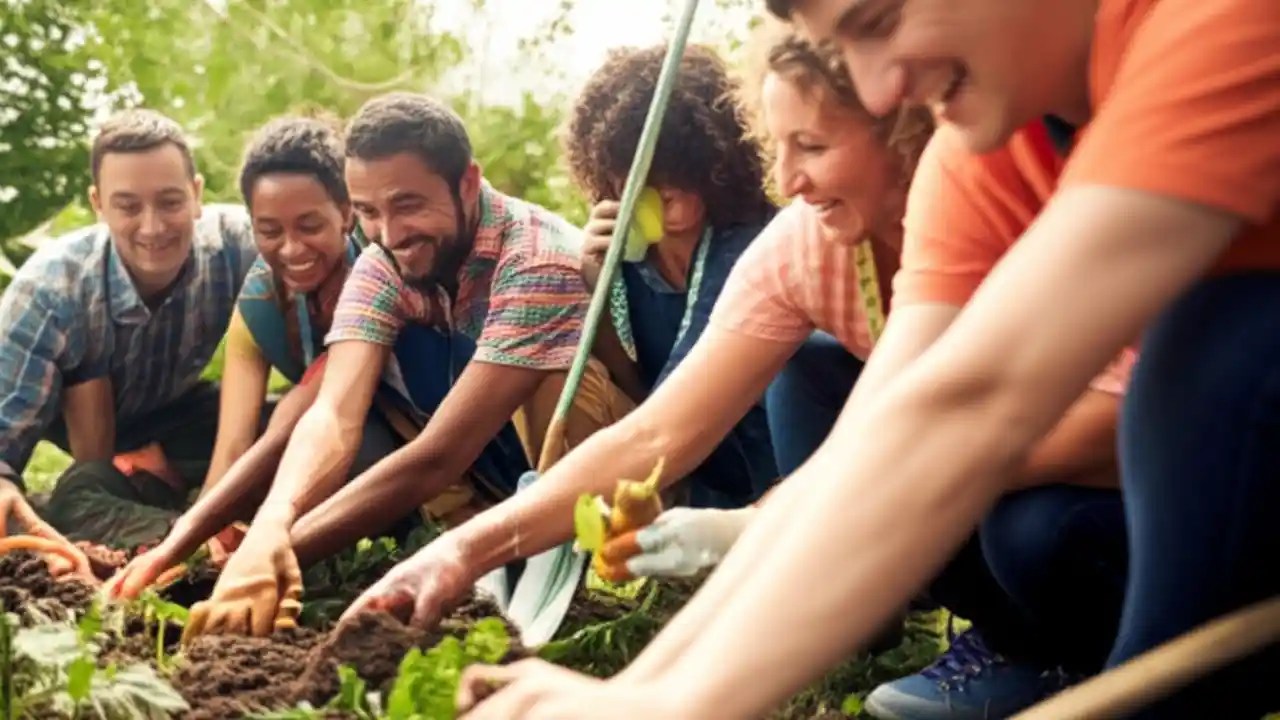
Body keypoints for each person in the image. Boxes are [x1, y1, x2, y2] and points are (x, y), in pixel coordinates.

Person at [453, 0, 1280, 717]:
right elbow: (904, 428)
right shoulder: (980, 153)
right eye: (846, 48)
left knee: (1219, 347)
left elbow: (979, 404)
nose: (883, 90)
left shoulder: (1225, 25)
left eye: (881, 21)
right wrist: (647, 694)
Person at [343, 27, 1129, 695]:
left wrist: (765, 523)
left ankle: (1085, 661)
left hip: (1127, 483)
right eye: (776, 146)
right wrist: (465, 549)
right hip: (962, 464)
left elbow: (1104, 423)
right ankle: (991, 639)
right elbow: (656, 432)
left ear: (906, 128)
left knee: (1032, 533)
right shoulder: (805, 244)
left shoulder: (1022, 207)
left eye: (812, 146)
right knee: (827, 387)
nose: (786, 180)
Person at [165, 92, 635, 638]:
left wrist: (265, 560)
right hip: (492, 473)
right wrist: (269, 529)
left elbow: (437, 457)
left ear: (467, 183)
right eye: (367, 212)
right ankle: (479, 541)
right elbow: (331, 415)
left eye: (408, 205)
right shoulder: (382, 260)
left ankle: (588, 556)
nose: (388, 234)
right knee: (379, 385)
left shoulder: (536, 257)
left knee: (561, 380)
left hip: (616, 480)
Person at [103, 117, 416, 596]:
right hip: (312, 434)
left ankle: (294, 555)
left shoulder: (378, 272)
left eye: (309, 226)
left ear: (346, 213)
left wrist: (197, 537)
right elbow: (233, 443)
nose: (291, 248)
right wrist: (200, 537)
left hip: (386, 442)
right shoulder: (258, 305)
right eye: (269, 230)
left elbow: (304, 412)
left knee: (354, 456)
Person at [0, 109, 255, 566]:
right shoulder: (51, 289)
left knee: (291, 429)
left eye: (170, 202)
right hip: (101, 457)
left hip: (183, 420)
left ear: (197, 195)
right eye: (128, 206)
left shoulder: (238, 243)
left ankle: (187, 518)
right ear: (98, 205)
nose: (153, 227)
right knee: (78, 497)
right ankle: (196, 543)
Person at [562, 44, 778, 509]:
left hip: (771, 479)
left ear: (718, 160)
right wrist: (598, 289)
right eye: (644, 171)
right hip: (689, 470)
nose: (665, 188)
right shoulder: (630, 258)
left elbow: (667, 415)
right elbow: (639, 391)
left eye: (679, 166)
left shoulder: (750, 240)